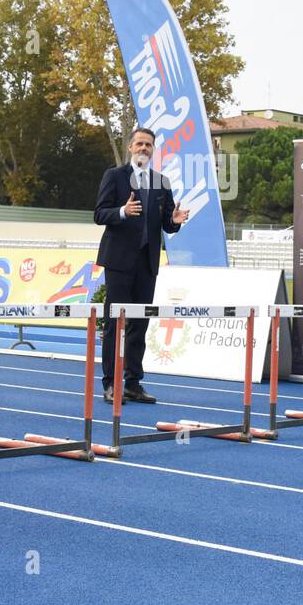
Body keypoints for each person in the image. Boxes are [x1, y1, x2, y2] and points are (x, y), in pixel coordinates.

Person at [94, 127, 189, 405]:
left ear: (153, 149)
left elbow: (167, 223)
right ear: (130, 148)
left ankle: (133, 383)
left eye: (148, 145)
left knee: (140, 323)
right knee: (116, 322)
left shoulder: (162, 182)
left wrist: (176, 220)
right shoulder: (114, 176)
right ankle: (111, 384)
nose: (144, 148)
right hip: (119, 262)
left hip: (147, 263)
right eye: (139, 144)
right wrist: (123, 211)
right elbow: (99, 214)